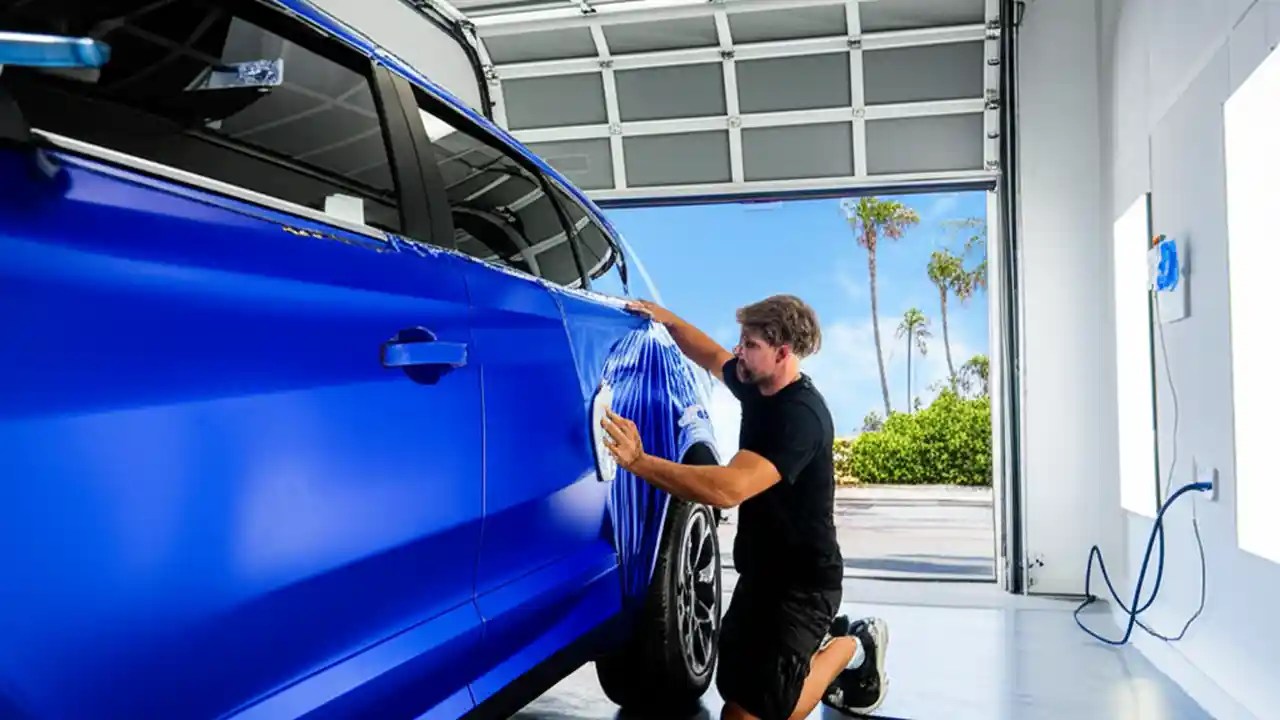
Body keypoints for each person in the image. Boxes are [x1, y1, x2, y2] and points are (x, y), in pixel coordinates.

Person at [600, 294, 890, 720]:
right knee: (734, 689)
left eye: (750, 344)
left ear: (784, 353)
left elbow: (728, 489)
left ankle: (852, 646)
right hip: (760, 575)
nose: (739, 352)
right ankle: (826, 652)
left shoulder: (800, 417)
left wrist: (639, 462)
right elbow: (710, 354)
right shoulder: (757, 380)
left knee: (753, 714)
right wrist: (663, 318)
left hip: (802, 586)